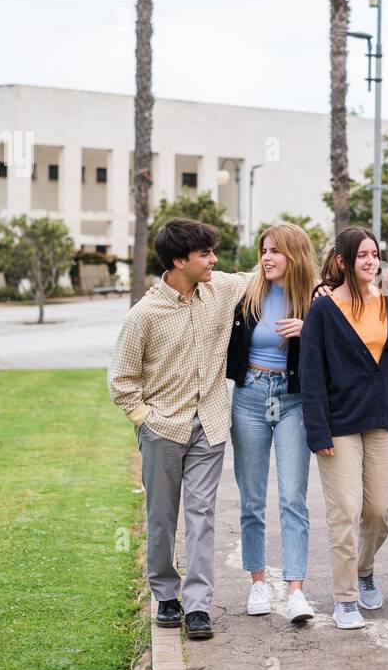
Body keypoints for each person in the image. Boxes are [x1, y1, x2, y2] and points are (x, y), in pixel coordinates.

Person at [107, 217, 250, 641]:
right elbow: (121, 382)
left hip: (210, 423)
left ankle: (199, 606)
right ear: (178, 260)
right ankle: (166, 596)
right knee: (162, 516)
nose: (213, 260)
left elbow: (261, 274)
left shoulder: (220, 289)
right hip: (162, 429)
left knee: (202, 514)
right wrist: (145, 421)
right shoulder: (144, 315)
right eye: (205, 254)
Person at [300, 228, 388, 630]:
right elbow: (311, 372)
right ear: (342, 261)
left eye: (375, 254)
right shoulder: (323, 309)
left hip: (381, 421)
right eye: (362, 255)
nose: (371, 261)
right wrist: (317, 430)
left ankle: (364, 568)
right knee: (344, 512)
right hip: (338, 424)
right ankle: (344, 599)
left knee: (379, 511)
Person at [225, 222, 319, 623]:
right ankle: (258, 582)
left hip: (293, 400)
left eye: (276, 251)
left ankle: (295, 589)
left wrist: (308, 329)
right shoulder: (247, 292)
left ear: (294, 255)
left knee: (294, 498)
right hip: (250, 396)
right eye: (264, 250)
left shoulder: (316, 299)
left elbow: (346, 329)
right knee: (251, 498)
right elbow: (205, 281)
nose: (267, 257)